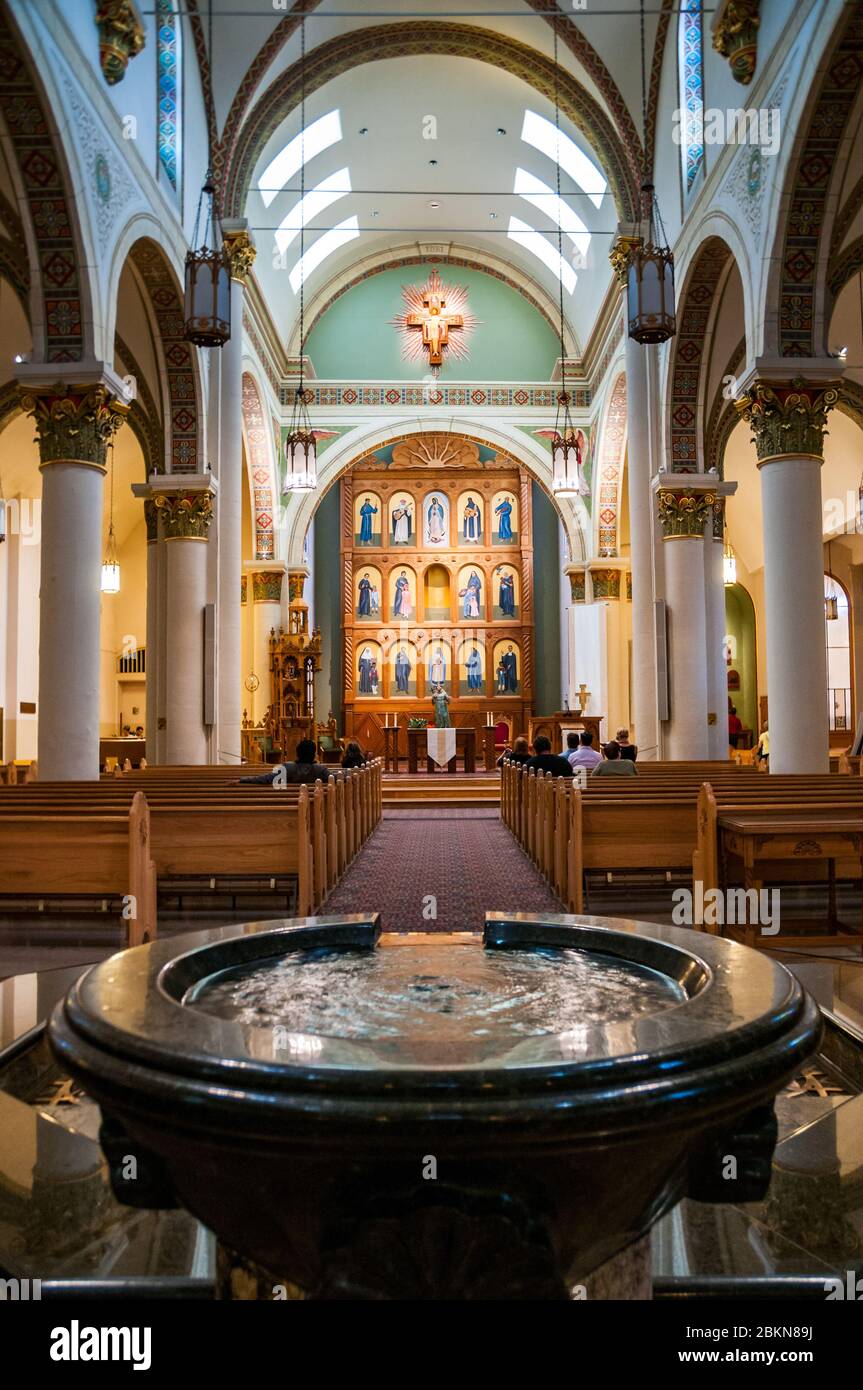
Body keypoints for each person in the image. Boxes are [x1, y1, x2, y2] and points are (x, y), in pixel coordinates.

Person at [239, 738, 331, 785]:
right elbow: (335, 778)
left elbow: (266, 778)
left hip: (291, 803)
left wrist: (242, 780)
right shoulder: (321, 770)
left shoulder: (287, 768)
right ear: (314, 754)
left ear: (297, 753)